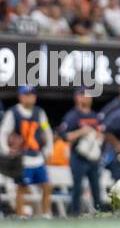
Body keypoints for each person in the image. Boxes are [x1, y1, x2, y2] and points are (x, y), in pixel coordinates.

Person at [0, 86, 52, 217]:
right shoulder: (13, 113)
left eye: (31, 95)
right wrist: (6, 150)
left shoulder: (39, 113)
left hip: (37, 156)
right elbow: (4, 133)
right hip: (22, 157)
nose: (29, 97)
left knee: (46, 185)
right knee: (21, 188)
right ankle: (20, 215)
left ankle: (46, 215)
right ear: (20, 96)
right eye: (26, 94)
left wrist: (48, 149)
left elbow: (47, 131)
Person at [57, 87, 105, 215]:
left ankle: (99, 214)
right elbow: (64, 136)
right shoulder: (73, 115)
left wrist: (99, 136)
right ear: (77, 97)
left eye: (88, 95)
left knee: (96, 188)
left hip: (94, 157)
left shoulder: (95, 116)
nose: (86, 98)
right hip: (79, 157)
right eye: (83, 95)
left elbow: (102, 133)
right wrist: (81, 132)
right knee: (77, 187)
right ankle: (75, 214)